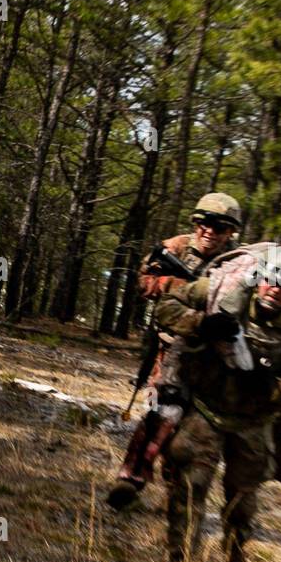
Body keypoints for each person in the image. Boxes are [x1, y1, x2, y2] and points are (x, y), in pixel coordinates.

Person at [153, 231, 281, 562]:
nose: (275, 290)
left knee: (242, 501)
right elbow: (165, 307)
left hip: (254, 421)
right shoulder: (220, 291)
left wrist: (274, 387)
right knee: (189, 487)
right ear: (260, 277)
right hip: (207, 409)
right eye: (271, 281)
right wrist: (202, 324)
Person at [107, 193, 242, 510]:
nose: (210, 231)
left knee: (193, 424)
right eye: (204, 223)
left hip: (212, 356)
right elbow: (145, 284)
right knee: (158, 414)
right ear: (195, 224)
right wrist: (187, 289)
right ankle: (130, 478)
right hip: (170, 348)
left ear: (230, 232)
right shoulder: (174, 248)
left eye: (220, 226)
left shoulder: (238, 260)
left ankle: (174, 488)